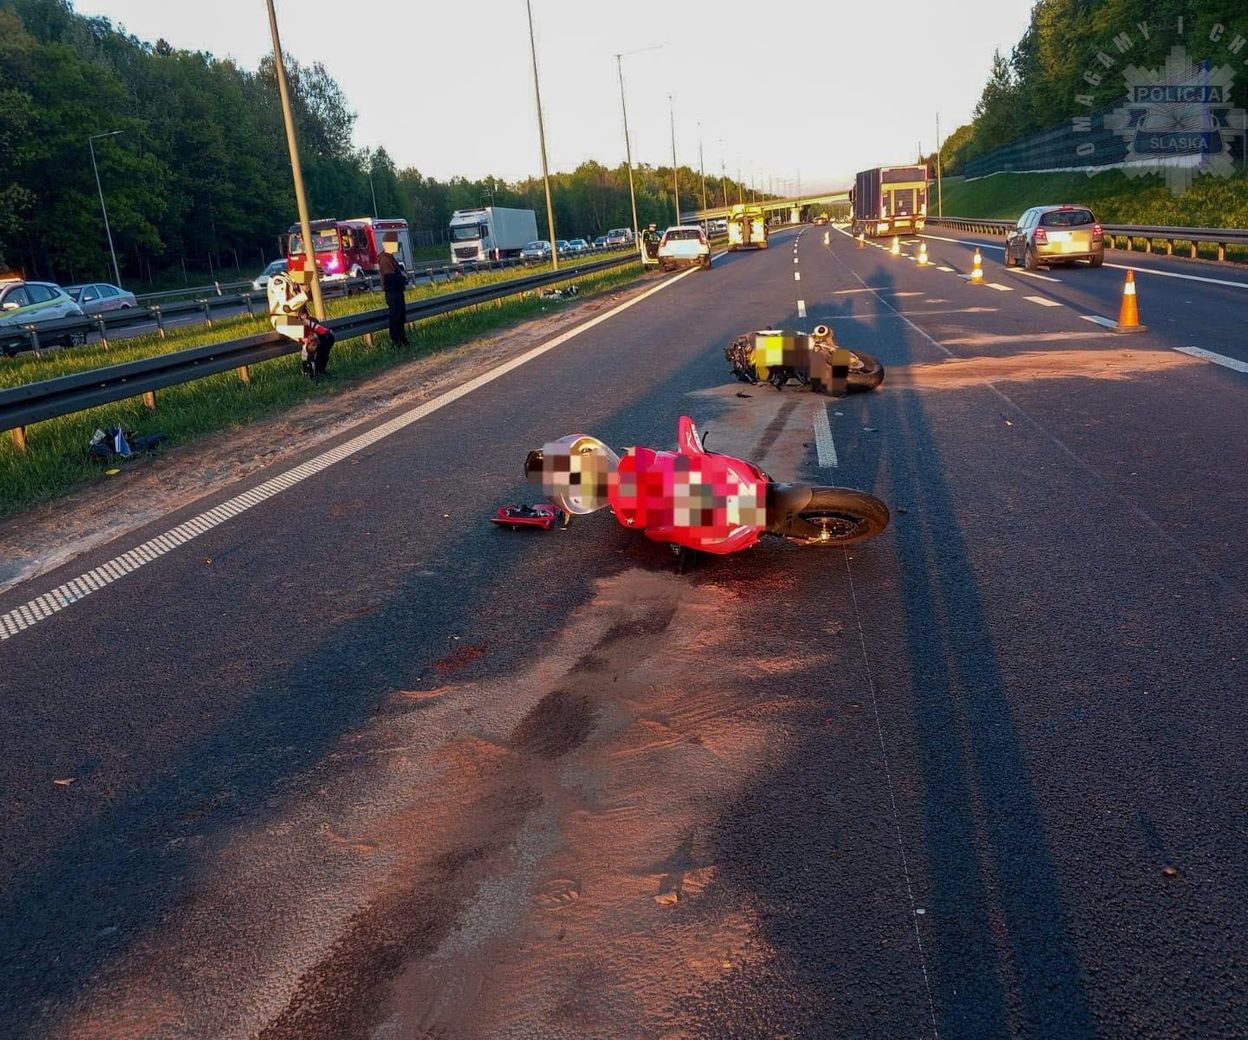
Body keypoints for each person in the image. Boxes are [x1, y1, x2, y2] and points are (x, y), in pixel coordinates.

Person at [267, 270, 334, 378]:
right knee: (310, 340)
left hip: (299, 318)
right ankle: (308, 374)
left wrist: (311, 288)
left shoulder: (295, 278)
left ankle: (321, 371)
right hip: (282, 320)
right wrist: (305, 294)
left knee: (328, 336)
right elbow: (286, 307)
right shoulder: (279, 280)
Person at [378, 231, 410, 346]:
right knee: (395, 316)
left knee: (400, 316)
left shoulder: (390, 257)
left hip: (396, 291)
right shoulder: (385, 259)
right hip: (393, 292)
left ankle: (402, 340)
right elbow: (390, 277)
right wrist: (401, 279)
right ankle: (397, 342)